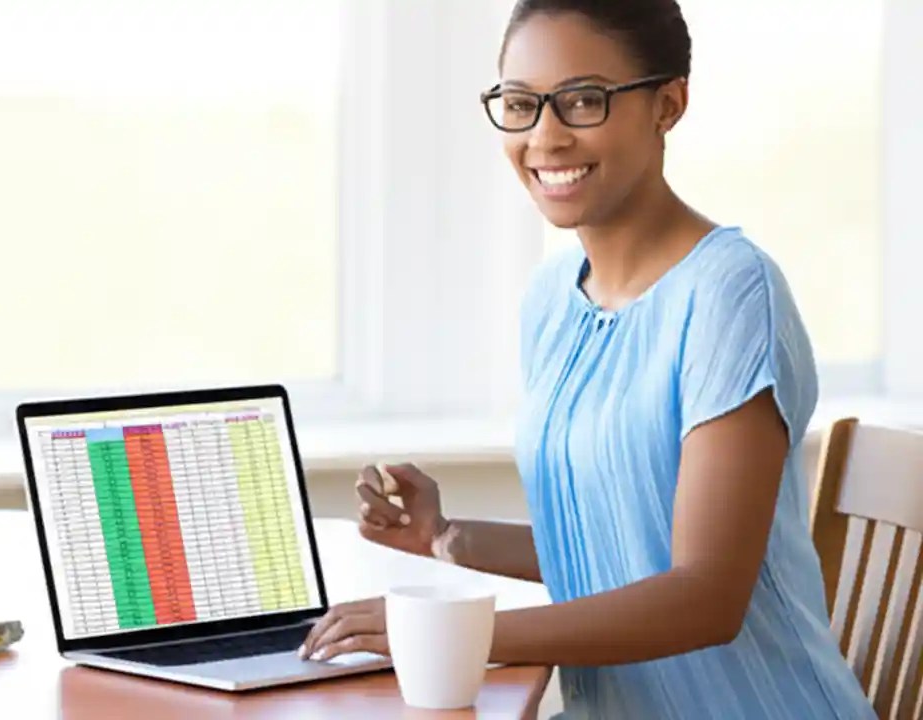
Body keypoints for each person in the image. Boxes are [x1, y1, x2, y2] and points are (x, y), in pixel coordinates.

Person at [296, 0, 875, 717]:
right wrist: (446, 539)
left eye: (583, 100)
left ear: (668, 105)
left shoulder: (730, 292)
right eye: (521, 104)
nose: (545, 136)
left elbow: (706, 597)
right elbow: (618, 547)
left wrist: (447, 636)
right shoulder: (553, 300)